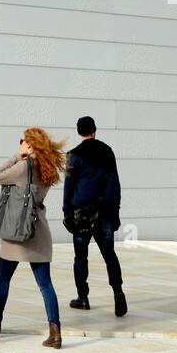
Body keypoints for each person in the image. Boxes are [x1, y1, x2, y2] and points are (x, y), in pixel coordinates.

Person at [0, 127, 66, 349]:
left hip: (17, 232)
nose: (20, 145)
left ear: (30, 144)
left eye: (23, 142)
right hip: (39, 231)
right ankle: (55, 333)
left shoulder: (23, 166)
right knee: (46, 284)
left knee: (3, 279)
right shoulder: (47, 167)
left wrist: (18, 156)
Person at [63, 116, 127, 316]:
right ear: (94, 130)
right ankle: (117, 291)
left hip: (81, 215)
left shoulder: (73, 155)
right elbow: (115, 184)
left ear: (79, 131)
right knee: (109, 254)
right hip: (105, 214)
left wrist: (67, 211)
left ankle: (83, 297)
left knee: (80, 257)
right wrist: (115, 212)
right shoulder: (107, 152)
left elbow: (69, 187)